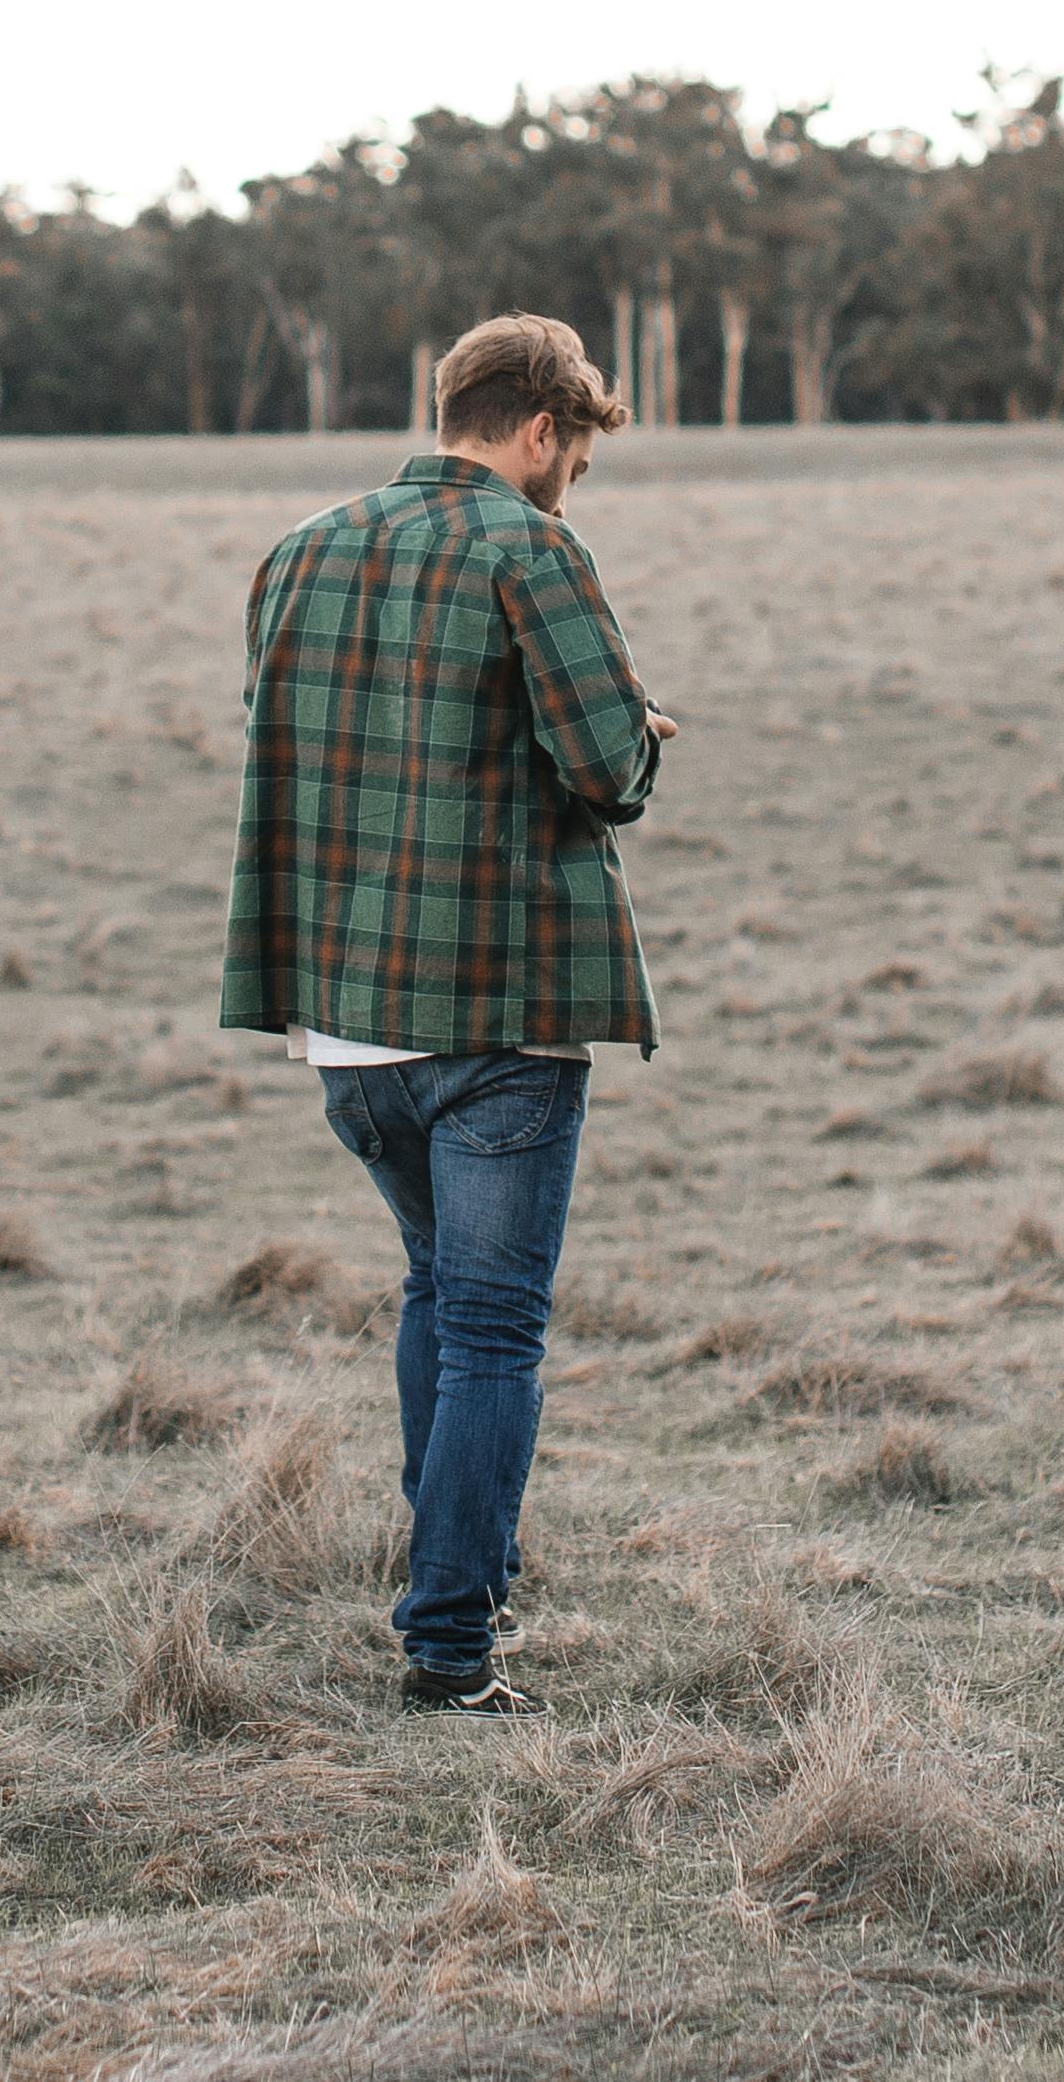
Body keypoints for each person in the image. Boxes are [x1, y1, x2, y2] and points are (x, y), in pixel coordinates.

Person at [217, 313, 676, 1714]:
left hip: (346, 1025)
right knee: (491, 1328)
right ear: (540, 429)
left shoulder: (299, 551)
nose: (573, 482)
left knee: (439, 1294)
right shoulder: (531, 551)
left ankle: (455, 1570)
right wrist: (641, 728)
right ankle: (453, 1638)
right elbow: (605, 774)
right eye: (577, 457)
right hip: (496, 1012)